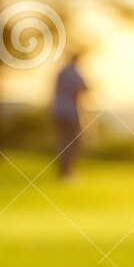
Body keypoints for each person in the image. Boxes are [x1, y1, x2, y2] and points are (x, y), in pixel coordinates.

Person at [51, 50, 88, 181]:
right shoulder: (73, 72)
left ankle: (63, 172)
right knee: (71, 142)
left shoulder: (61, 72)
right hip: (70, 112)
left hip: (57, 111)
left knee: (62, 141)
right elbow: (84, 88)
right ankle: (66, 172)